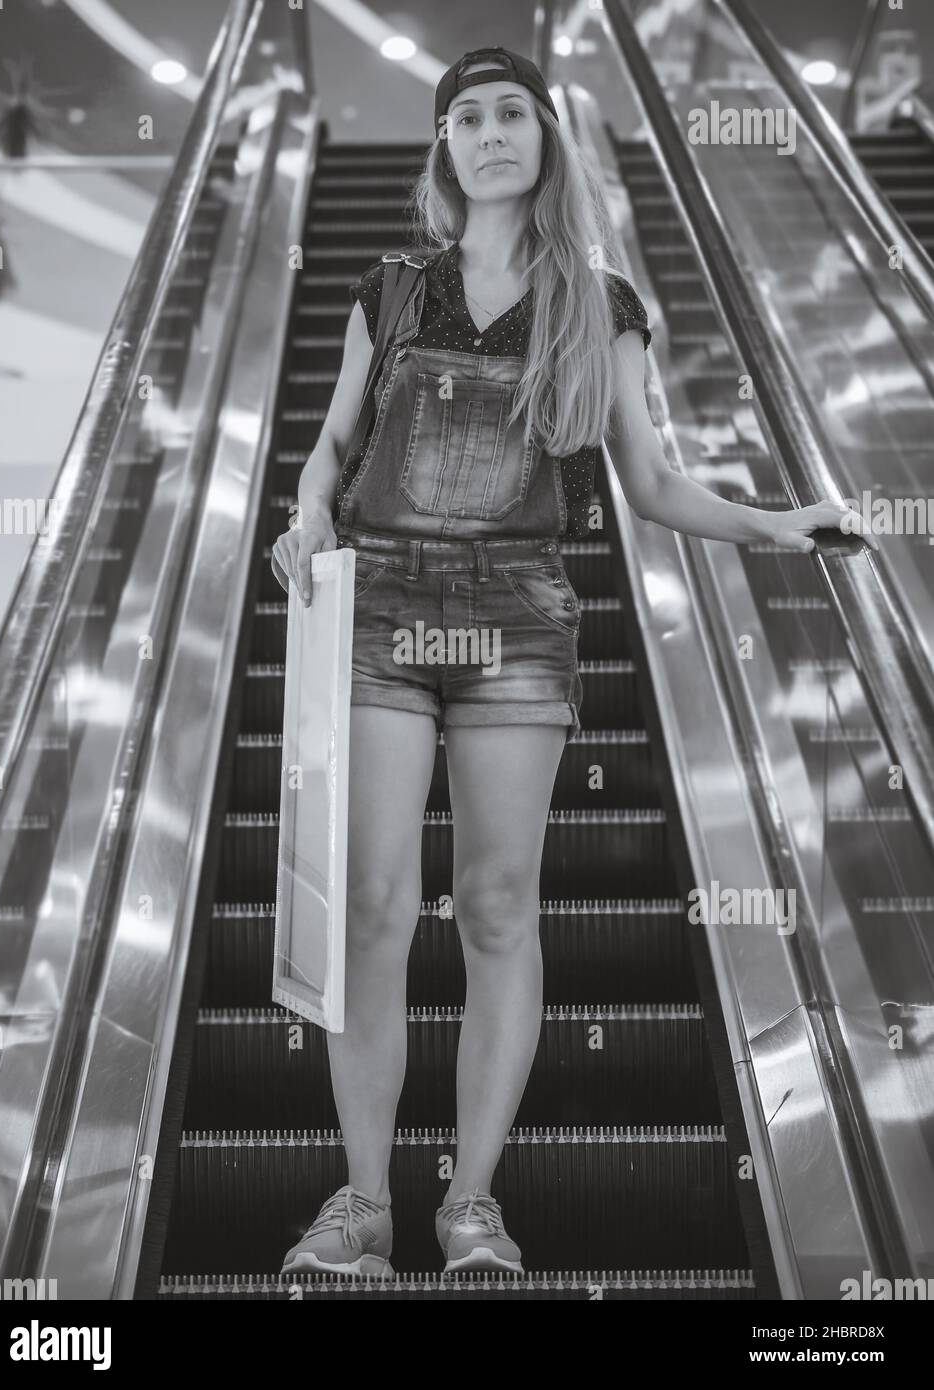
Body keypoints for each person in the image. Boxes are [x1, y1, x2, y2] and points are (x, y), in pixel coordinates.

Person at [271, 45, 875, 1280]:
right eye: (466, 118)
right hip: (379, 608)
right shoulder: (387, 288)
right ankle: (363, 1204)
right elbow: (329, 449)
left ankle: (470, 1207)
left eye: (512, 114)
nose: (489, 133)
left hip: (517, 619)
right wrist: (305, 516)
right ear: (442, 145)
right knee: (374, 910)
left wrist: (771, 522)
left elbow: (645, 482)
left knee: (498, 906)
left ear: (542, 138)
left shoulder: (598, 306)